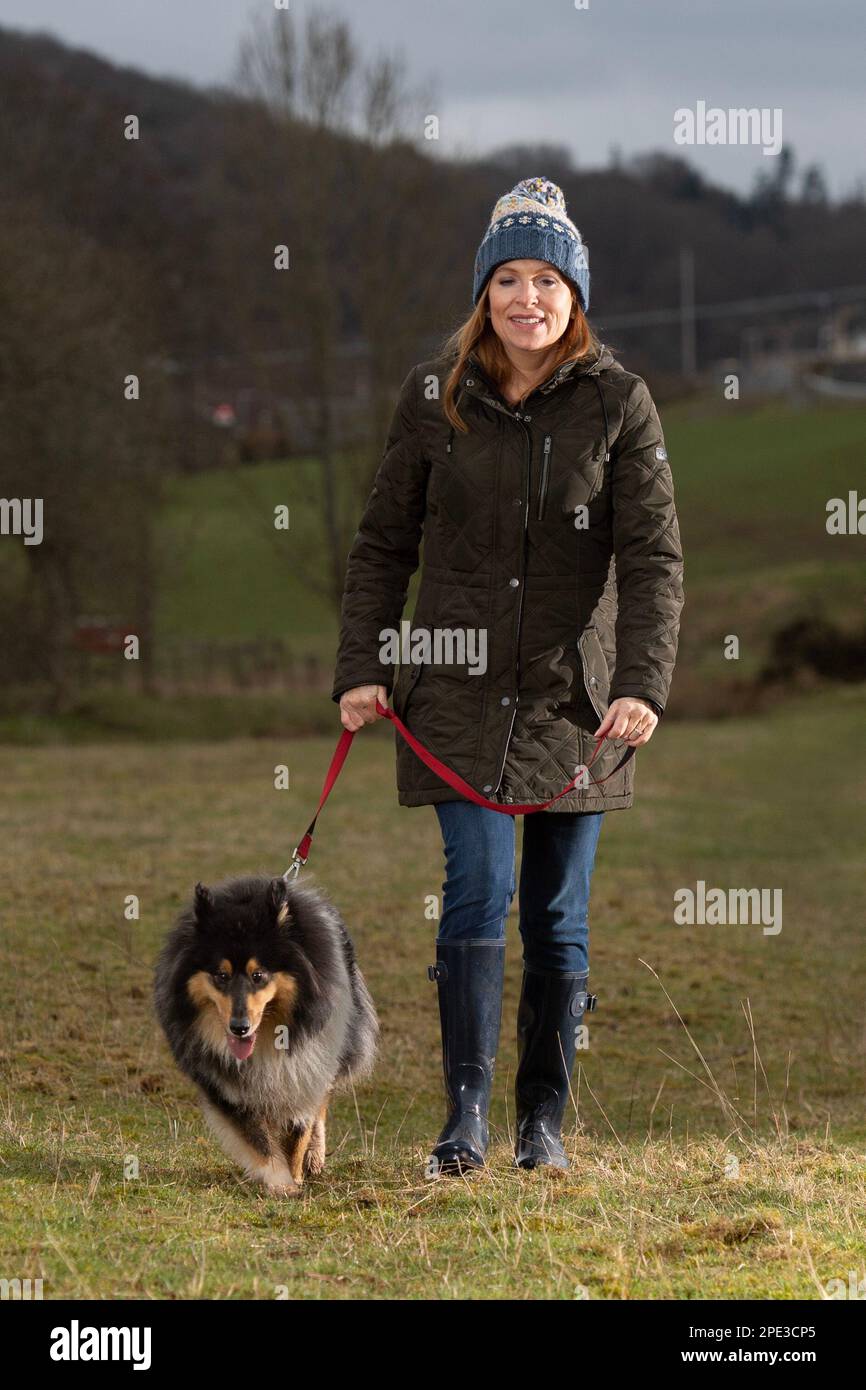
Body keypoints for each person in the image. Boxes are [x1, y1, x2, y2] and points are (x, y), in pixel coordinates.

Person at [331, 176, 684, 1175]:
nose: (525, 298)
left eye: (545, 279)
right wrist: (364, 664)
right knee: (475, 891)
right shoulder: (430, 398)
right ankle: (464, 1119)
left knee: (556, 916)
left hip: (577, 702)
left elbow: (653, 558)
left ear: (574, 293)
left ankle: (542, 1124)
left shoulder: (620, 404)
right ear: (483, 292)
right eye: (506, 279)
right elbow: (378, 547)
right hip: (449, 693)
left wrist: (642, 685)